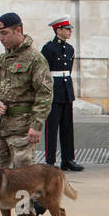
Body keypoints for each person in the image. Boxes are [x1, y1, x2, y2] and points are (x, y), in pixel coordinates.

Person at [0, 12, 53, 216]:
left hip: (23, 127)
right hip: (1, 127)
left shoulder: (35, 58)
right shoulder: (2, 59)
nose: (1, 38)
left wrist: (37, 125)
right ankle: (35, 202)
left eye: (4, 33)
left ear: (18, 30)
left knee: (22, 177)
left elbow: (45, 93)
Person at [41, 16, 83, 172]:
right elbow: (44, 72)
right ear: (58, 30)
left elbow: (68, 70)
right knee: (52, 128)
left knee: (67, 127)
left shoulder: (70, 49)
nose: (70, 31)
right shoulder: (49, 48)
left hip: (66, 91)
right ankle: (50, 161)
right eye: (67, 29)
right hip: (53, 91)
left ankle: (68, 159)